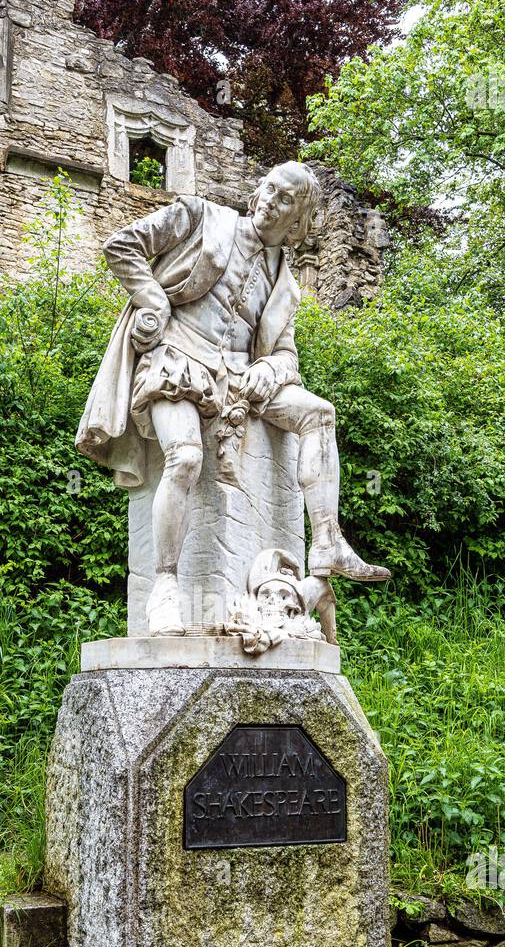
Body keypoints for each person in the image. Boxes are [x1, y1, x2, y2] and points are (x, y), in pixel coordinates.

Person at [77, 160, 390, 636]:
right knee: (184, 458)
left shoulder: (286, 282)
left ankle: (328, 542)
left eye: (285, 200)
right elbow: (122, 245)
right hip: (178, 359)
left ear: (298, 223)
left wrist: (270, 367)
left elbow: (287, 356)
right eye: (269, 190)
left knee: (319, 414)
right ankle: (165, 587)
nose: (271, 202)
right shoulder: (201, 217)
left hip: (240, 380)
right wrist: (154, 301)